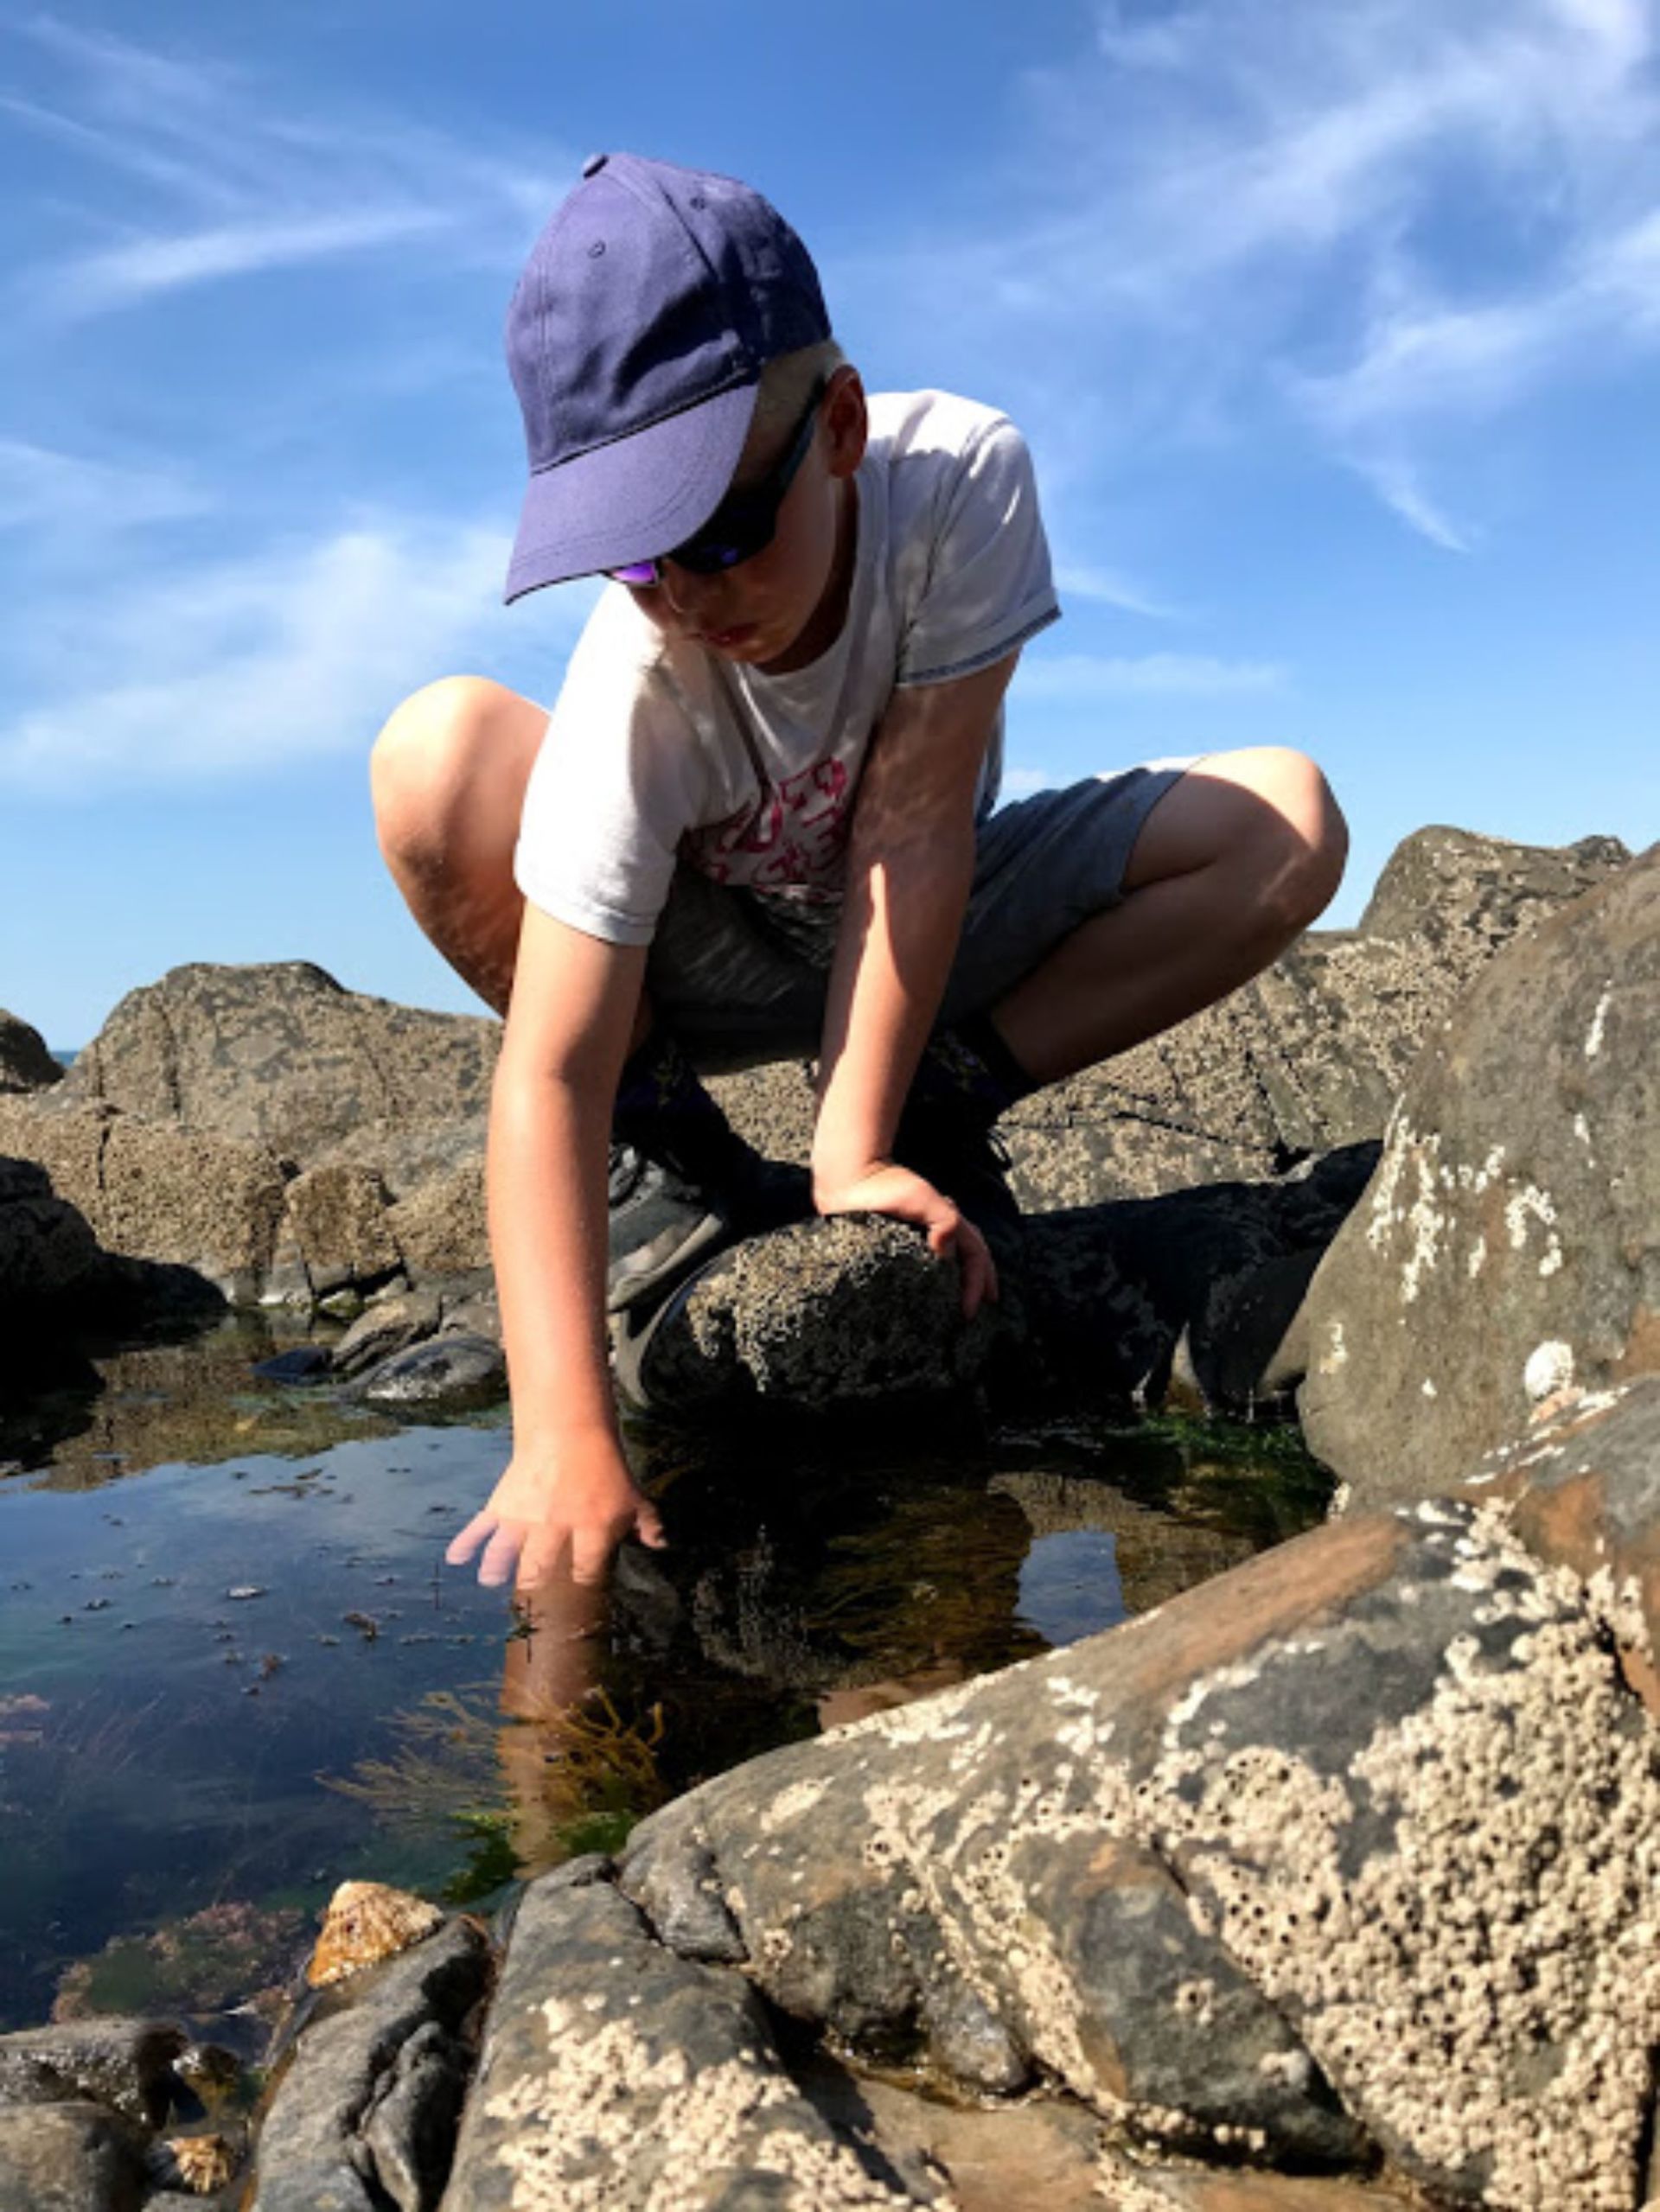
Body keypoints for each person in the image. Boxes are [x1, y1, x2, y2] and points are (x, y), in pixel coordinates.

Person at [371, 152, 1348, 1595]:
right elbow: (547, 1072)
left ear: (838, 425)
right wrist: (563, 1430)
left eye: (715, 533)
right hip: (701, 964)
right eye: (631, 562)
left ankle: (941, 1099)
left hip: (918, 918)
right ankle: (683, 1157)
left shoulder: (959, 482)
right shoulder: (643, 676)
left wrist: (858, 1146)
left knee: (1286, 820)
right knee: (435, 754)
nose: (687, 599)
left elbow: (913, 824)